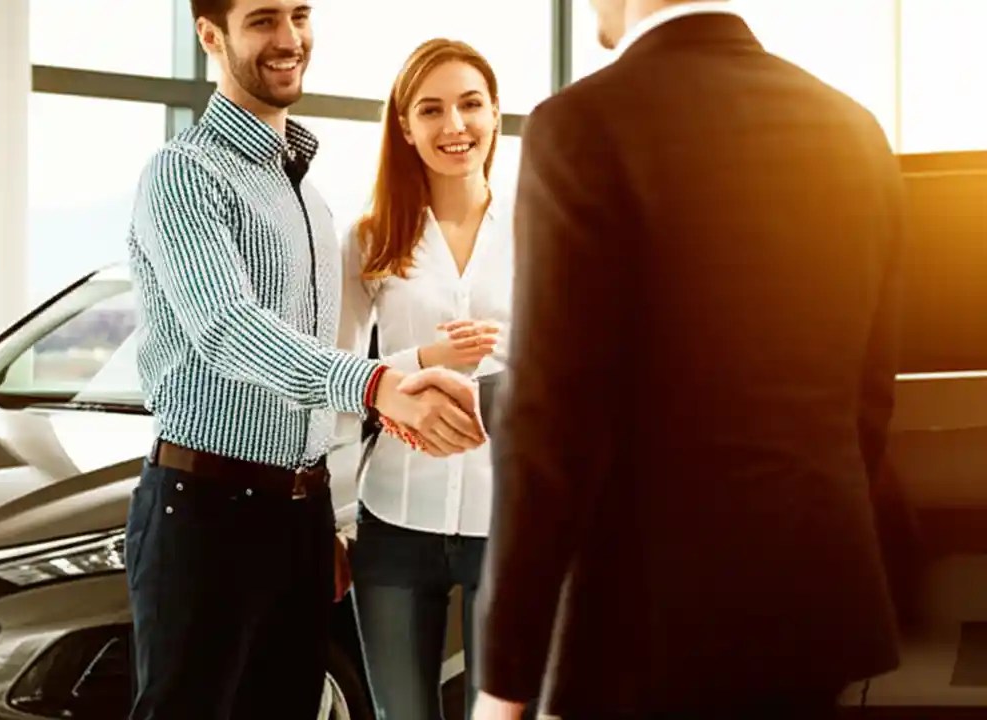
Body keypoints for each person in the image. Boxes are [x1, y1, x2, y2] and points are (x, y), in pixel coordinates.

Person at [464, 0, 908, 718]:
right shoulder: (852, 129)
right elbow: (868, 400)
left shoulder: (583, 124)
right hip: (812, 613)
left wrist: (505, 680)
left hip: (645, 632)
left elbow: (551, 420)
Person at [122, 1, 486, 718]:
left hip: (300, 517)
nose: (288, 39)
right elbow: (227, 328)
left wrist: (329, 519)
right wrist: (381, 383)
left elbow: (321, 363)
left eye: (299, 14)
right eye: (261, 20)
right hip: (205, 511)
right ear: (209, 35)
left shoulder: (311, 201)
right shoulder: (184, 173)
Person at [337, 38, 529, 720]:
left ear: (496, 114)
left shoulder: (542, 229)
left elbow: (583, 370)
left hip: (508, 520)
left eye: (471, 104)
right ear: (405, 127)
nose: (455, 126)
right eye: (432, 109)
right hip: (392, 519)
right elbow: (338, 377)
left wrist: (509, 345)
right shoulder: (368, 239)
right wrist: (425, 359)